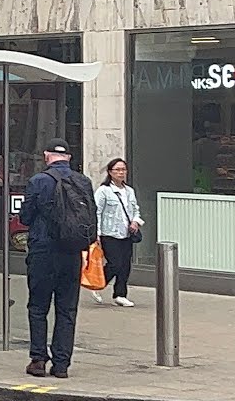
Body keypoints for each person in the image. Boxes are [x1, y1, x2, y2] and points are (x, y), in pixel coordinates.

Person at [20, 138, 95, 379]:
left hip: (43, 251)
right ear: (69, 158)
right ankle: (61, 364)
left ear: (46, 156)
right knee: (67, 309)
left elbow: (25, 217)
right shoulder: (83, 182)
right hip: (72, 252)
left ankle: (38, 360)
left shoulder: (38, 181)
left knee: (38, 307)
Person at [93, 157, 144, 307]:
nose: (121, 173)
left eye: (123, 170)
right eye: (117, 170)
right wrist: (96, 233)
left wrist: (136, 221)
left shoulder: (129, 191)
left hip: (126, 233)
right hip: (109, 233)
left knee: (125, 265)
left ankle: (120, 294)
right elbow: (96, 212)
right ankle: (98, 284)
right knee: (115, 264)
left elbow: (135, 209)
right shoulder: (104, 191)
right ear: (110, 172)